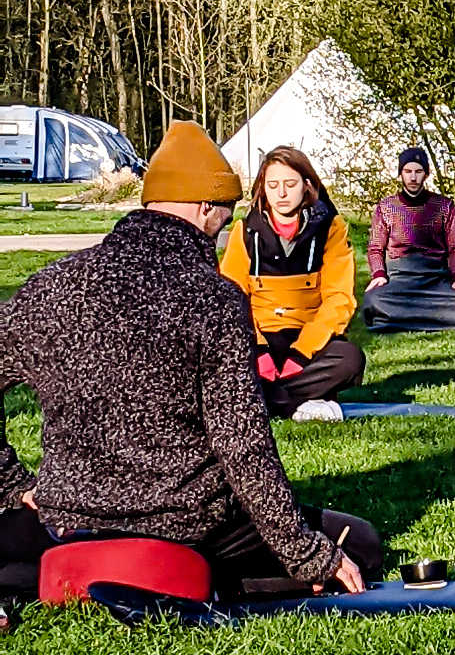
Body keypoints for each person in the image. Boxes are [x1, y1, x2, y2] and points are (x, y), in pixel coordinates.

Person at [0, 122, 378, 598]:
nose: (221, 233)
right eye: (224, 218)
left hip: (70, 516)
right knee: (359, 544)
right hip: (186, 522)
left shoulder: (51, 286)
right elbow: (242, 446)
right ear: (205, 208)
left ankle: (62, 572)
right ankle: (168, 576)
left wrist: (9, 483)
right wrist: (305, 553)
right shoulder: (213, 298)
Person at [219, 144, 364, 422]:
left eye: (290, 184)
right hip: (259, 340)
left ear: (306, 185)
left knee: (350, 359)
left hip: (308, 343)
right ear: (263, 189)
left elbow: (339, 299)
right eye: (273, 185)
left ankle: (265, 399)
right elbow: (231, 298)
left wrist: (300, 354)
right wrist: (259, 350)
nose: (281, 193)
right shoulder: (244, 232)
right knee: (225, 359)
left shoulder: (331, 229)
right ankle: (296, 402)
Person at [362, 147, 455, 331]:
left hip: (436, 279)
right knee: (373, 300)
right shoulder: (386, 207)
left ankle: (398, 318)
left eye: (418, 172)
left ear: (426, 174)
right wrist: (379, 275)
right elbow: (376, 248)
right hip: (399, 279)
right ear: (401, 174)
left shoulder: (444, 205)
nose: (413, 177)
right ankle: (438, 318)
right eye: (408, 171)